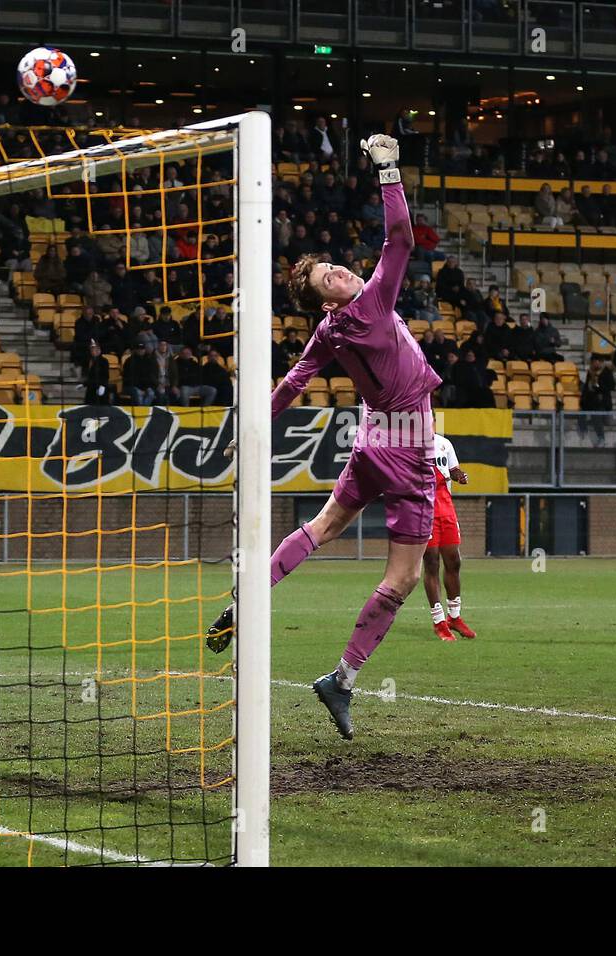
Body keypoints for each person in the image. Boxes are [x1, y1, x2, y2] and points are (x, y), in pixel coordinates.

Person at [204, 134, 440, 741]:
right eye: (326, 279)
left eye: (332, 266)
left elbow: (292, 383)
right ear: (324, 302)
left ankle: (244, 599)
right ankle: (342, 679)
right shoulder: (371, 304)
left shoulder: (331, 330)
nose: (337, 270)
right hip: (405, 444)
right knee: (406, 576)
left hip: (374, 436)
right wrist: (388, 169)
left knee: (326, 525)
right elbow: (402, 240)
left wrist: (250, 429)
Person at [422, 429, 476, 642]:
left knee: (454, 561)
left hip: (446, 507)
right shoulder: (408, 445)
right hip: (424, 509)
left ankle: (455, 617)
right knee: (432, 563)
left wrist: (460, 475)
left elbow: (452, 469)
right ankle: (439, 622)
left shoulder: (444, 443)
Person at [83, 339, 111, 405]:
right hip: (91, 388)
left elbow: (105, 375)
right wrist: (84, 384)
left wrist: (103, 386)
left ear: (99, 350)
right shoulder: (90, 360)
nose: (93, 351)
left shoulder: (104, 361)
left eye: (95, 349)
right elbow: (91, 376)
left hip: (100, 387)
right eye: (91, 349)